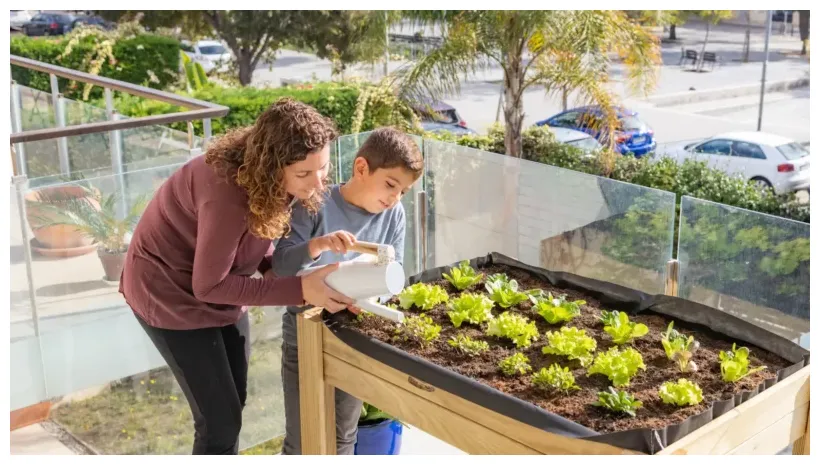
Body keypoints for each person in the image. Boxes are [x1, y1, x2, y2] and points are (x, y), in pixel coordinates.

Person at [119, 98, 355, 455]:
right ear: (271, 165)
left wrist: (297, 260)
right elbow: (209, 285)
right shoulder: (225, 194)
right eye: (304, 174)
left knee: (232, 406)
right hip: (168, 294)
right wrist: (301, 289)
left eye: (322, 168)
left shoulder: (269, 175)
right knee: (220, 423)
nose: (317, 182)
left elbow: (250, 244)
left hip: (218, 286)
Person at [271, 127, 424, 455]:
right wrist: (319, 244)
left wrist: (371, 301)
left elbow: (391, 278)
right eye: (391, 185)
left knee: (343, 438)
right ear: (361, 168)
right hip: (305, 334)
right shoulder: (314, 204)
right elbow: (280, 266)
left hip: (353, 339)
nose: (395, 198)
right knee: (302, 442)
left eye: (404, 192)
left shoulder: (393, 215)